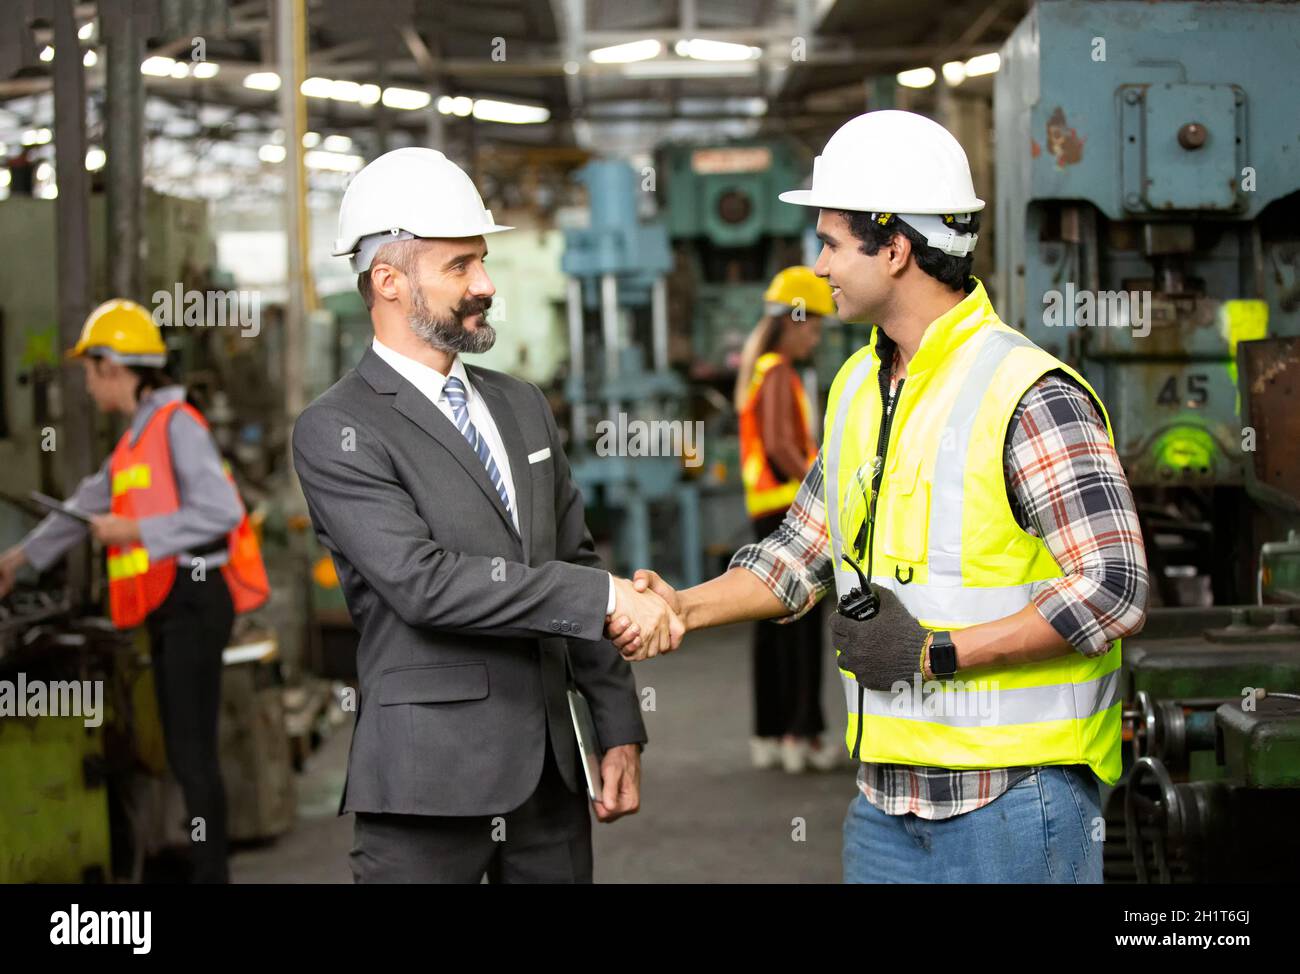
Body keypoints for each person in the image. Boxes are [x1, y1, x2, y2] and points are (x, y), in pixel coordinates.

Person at [609, 111, 1149, 884]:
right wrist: (682, 607)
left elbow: (1114, 591)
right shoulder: (861, 383)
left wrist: (937, 653)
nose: (819, 266)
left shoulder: (1026, 393)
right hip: (885, 805)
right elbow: (799, 554)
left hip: (1010, 804)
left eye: (830, 243)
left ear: (894, 248)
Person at [291, 147, 681, 884]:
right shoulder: (338, 429)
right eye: (461, 266)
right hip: (424, 785)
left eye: (482, 261)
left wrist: (616, 725)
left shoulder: (520, 404)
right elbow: (423, 583)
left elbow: (576, 558)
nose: (487, 284)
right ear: (388, 281)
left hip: (549, 783)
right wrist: (602, 600)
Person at [0, 298, 270, 883]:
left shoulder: (177, 425)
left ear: (113, 367)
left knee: (193, 758)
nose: (90, 388)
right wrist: (18, 561)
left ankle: (210, 876)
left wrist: (136, 530)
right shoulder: (135, 441)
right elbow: (82, 507)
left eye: (90, 373)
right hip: (175, 604)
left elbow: (223, 509)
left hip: (196, 598)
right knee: (184, 754)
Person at [735, 267, 837, 773]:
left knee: (772, 627)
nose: (815, 337)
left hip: (766, 511)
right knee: (801, 627)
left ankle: (771, 734)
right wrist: (826, 493)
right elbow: (779, 444)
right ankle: (804, 734)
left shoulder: (758, 369)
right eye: (813, 326)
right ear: (794, 322)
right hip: (791, 512)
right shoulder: (779, 372)